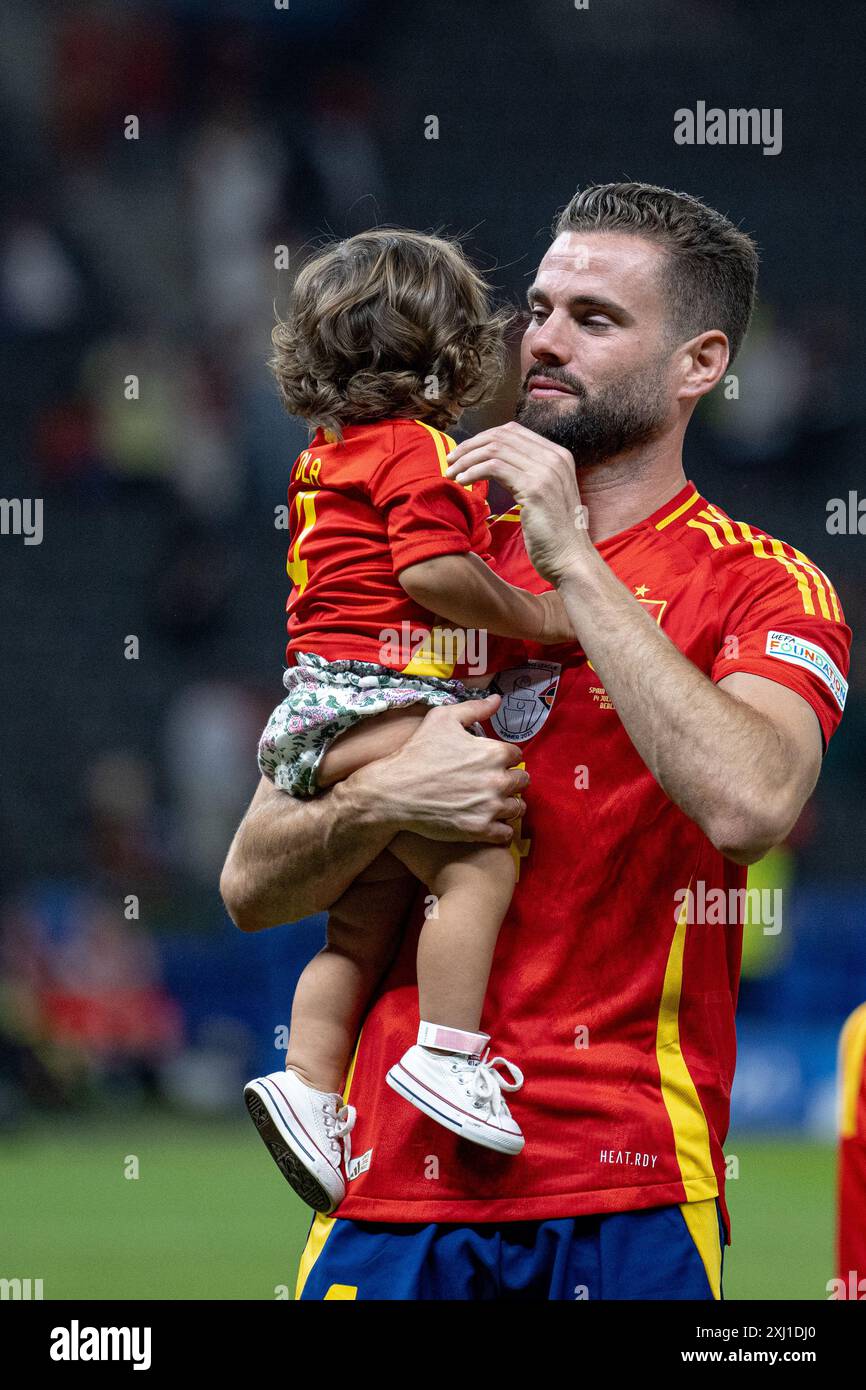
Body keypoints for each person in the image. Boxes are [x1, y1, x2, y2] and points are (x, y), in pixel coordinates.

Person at [221, 183, 852, 1301]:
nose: (544, 340)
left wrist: (573, 563)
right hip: (391, 1186)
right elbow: (250, 882)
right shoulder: (433, 545)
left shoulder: (759, 583)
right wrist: (389, 797)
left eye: (595, 319)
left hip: (629, 1184)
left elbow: (751, 802)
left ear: (698, 364)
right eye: (541, 308)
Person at [244, 229, 574, 1216]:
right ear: (451, 349)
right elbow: (430, 572)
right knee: (480, 850)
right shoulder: (419, 449)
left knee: (363, 918)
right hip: (382, 697)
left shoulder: (323, 454)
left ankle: (306, 1085)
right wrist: (541, 612)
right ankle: (448, 1053)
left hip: (313, 709)